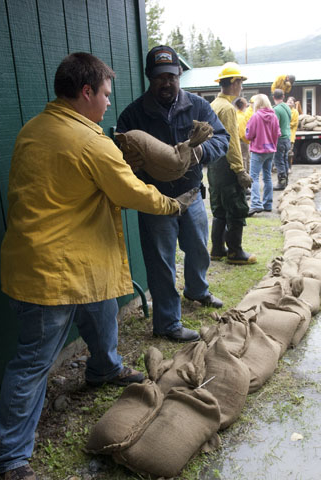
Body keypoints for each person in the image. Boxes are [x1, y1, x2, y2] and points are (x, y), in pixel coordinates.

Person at [0, 52, 196, 480]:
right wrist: (172, 203)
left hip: (56, 260)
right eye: (103, 94)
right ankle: (9, 460)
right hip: (54, 271)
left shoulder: (35, 128)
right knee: (31, 364)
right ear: (85, 92)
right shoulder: (90, 142)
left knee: (102, 309)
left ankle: (104, 367)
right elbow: (132, 193)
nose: (107, 102)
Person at [116, 46, 229, 341]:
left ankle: (197, 290)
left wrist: (199, 152)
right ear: (149, 79)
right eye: (158, 78)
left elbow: (222, 140)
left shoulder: (198, 106)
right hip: (155, 199)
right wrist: (133, 164)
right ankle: (168, 323)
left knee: (198, 249)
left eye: (171, 76)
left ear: (179, 74)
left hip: (190, 193)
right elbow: (119, 156)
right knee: (161, 261)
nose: (166, 83)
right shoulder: (133, 114)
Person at [209, 62, 256, 265]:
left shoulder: (213, 104)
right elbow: (231, 142)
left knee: (219, 209)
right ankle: (235, 252)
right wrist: (240, 170)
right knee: (236, 209)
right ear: (234, 82)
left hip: (213, 166)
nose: (242, 87)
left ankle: (217, 249)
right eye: (241, 82)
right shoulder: (227, 109)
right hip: (227, 167)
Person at [246, 94, 280, 216]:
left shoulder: (255, 117)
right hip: (271, 151)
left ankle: (255, 204)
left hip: (257, 151)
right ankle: (268, 204)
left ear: (257, 104)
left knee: (253, 177)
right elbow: (278, 133)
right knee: (267, 177)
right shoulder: (274, 116)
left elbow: (248, 135)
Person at [272, 88, 292, 190]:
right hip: (288, 137)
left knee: (278, 160)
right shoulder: (287, 107)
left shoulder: (276, 109)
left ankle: (281, 182)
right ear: (283, 96)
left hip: (280, 139)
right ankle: (286, 181)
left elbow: (275, 125)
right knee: (284, 159)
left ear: (273, 97)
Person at [234, 96, 251, 173]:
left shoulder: (237, 114)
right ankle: (246, 175)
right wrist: (248, 140)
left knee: (246, 158)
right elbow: (242, 132)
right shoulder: (241, 116)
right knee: (245, 158)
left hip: (241, 140)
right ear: (244, 105)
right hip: (243, 140)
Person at [286, 96, 300, 169]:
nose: (289, 102)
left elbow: (294, 123)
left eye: (291, 101)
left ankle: (289, 167)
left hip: (290, 135)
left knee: (289, 153)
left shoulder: (295, 112)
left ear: (294, 104)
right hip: (282, 135)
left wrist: (285, 124)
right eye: (288, 101)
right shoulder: (284, 110)